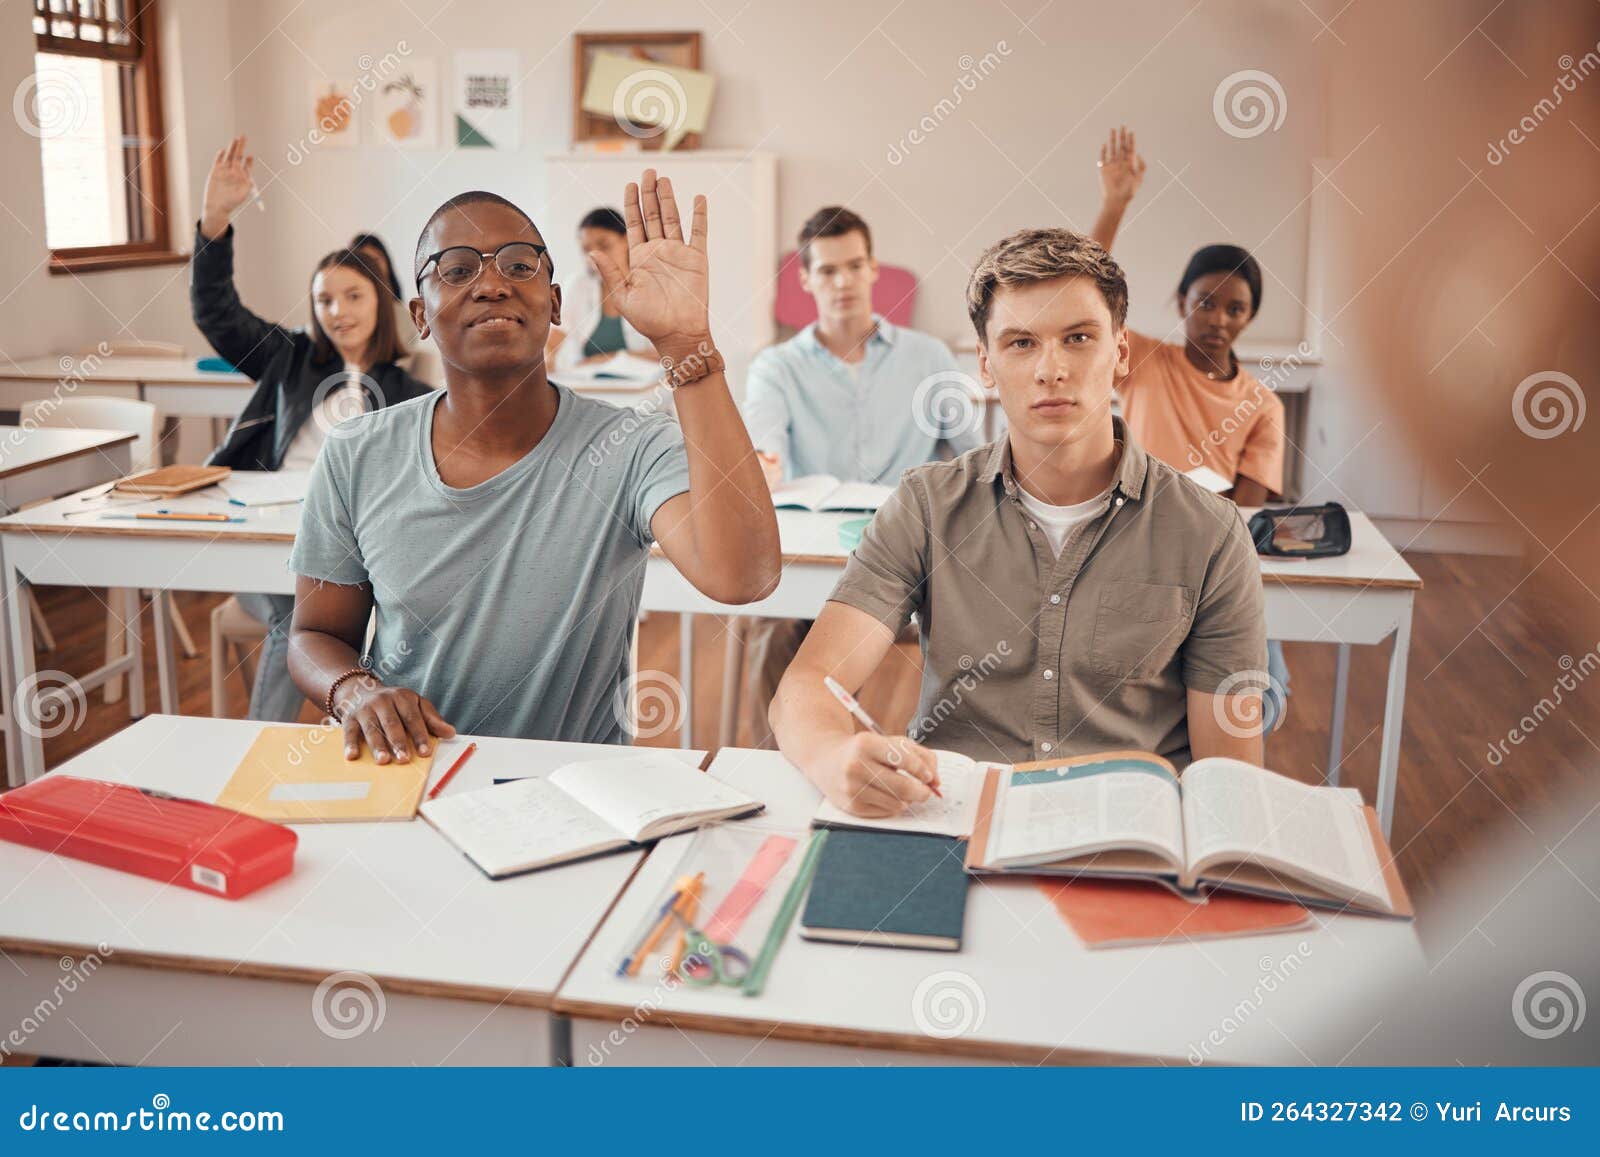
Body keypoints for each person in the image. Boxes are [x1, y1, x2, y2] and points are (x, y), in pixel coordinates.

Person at [770, 227, 1269, 818]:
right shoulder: (926, 506)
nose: (1051, 369)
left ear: (1121, 353)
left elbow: (1228, 783)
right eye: (1021, 343)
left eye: (1079, 338)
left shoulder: (1210, 533)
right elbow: (804, 689)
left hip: (1125, 842)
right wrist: (833, 755)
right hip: (949, 825)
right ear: (985, 363)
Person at [285, 170, 781, 762]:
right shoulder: (356, 454)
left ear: (555, 302)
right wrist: (355, 691)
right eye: (458, 269)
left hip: (574, 792)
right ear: (419, 314)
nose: (492, 283)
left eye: (521, 266)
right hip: (413, 773)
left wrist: (685, 343)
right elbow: (315, 635)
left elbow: (743, 577)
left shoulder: (629, 446)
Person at [192, 136, 433, 723]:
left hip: (335, 549)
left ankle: (264, 751)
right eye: (324, 299)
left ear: (381, 302)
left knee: (294, 613)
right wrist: (216, 220)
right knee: (287, 610)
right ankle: (260, 752)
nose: (337, 310)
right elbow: (216, 312)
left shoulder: (404, 390)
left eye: (353, 295)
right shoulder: (289, 357)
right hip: (257, 533)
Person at [735, 206, 983, 746]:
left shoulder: (929, 356)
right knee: (772, 626)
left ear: (874, 269)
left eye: (854, 266)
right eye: (826, 270)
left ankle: (903, 764)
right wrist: (762, 464)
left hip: (902, 553)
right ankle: (782, 765)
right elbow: (764, 443)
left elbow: (977, 458)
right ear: (805, 280)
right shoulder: (776, 367)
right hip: (812, 549)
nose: (842, 281)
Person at [1089, 125, 1291, 732]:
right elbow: (1087, 294)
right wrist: (1114, 204)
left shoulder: (1261, 405)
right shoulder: (1145, 363)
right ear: (1181, 303)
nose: (1219, 319)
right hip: (1132, 546)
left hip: (1213, 554)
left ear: (1250, 318)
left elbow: (1246, 509)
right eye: (1206, 302)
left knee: (1256, 695)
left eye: (1235, 308)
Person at [547, 207, 654, 371]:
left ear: (626, 240)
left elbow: (668, 353)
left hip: (644, 388)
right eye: (586, 250)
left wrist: (611, 359)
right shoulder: (578, 285)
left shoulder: (650, 285)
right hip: (591, 386)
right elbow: (555, 338)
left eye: (604, 246)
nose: (594, 256)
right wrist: (546, 359)